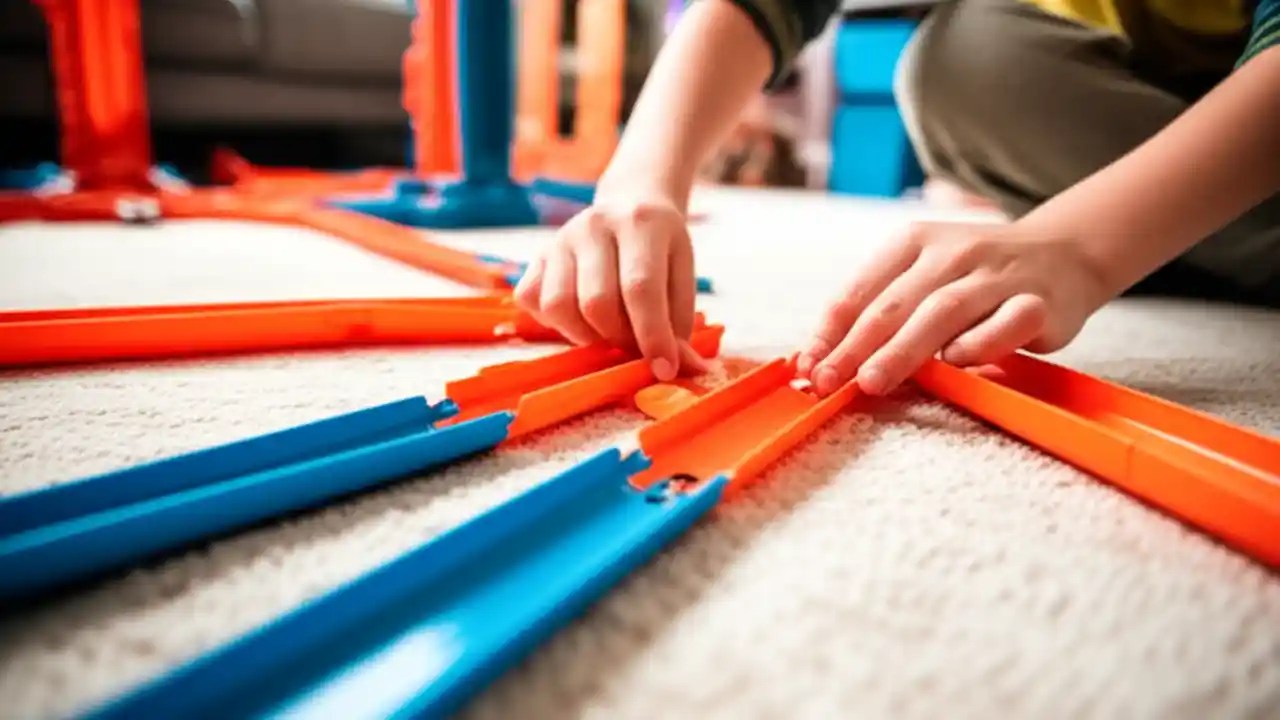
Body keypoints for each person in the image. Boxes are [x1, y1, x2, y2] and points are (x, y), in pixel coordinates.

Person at [514, 0, 1280, 397]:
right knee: (968, 61)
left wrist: (1082, 248)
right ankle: (1189, 239)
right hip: (1132, 94)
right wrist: (640, 181)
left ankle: (1179, 239)